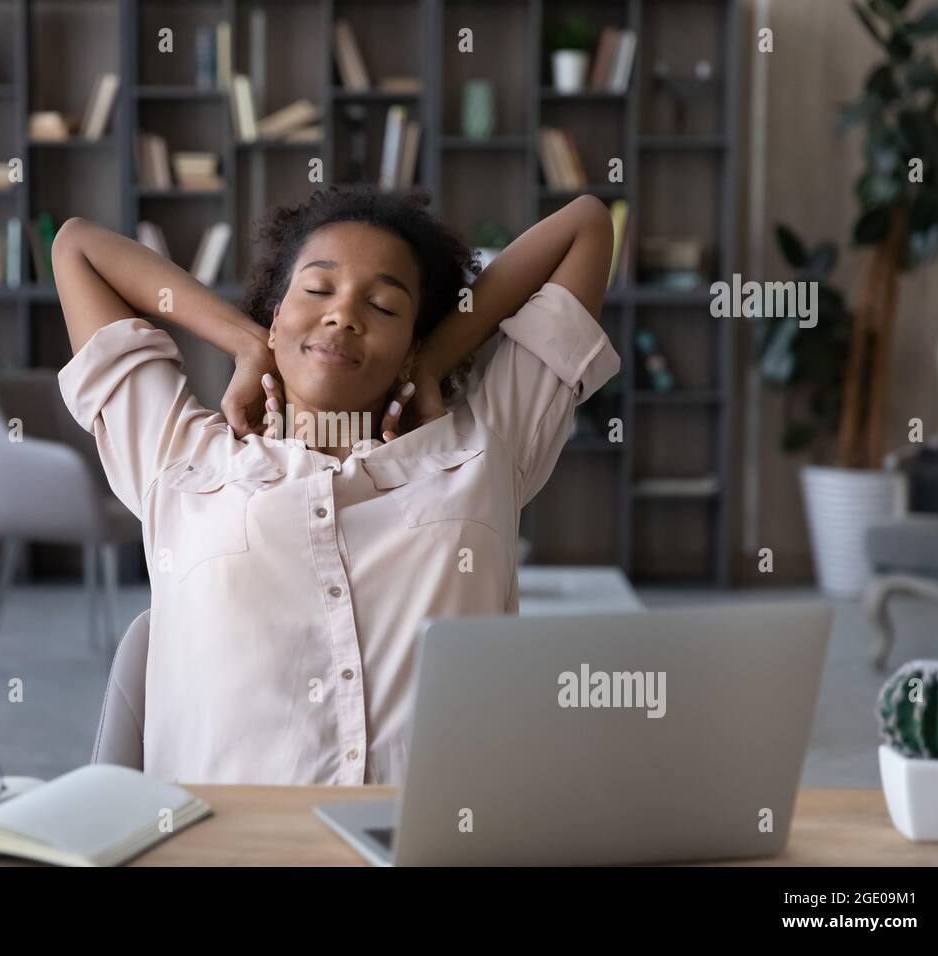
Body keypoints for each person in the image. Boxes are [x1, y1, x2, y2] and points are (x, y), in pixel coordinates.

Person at [54, 184, 620, 786]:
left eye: (383, 306)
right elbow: (78, 248)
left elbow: (585, 226)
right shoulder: (183, 457)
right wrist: (247, 342)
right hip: (229, 845)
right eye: (318, 289)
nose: (343, 314)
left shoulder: (482, 449)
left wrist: (431, 361)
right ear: (277, 316)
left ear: (410, 341)